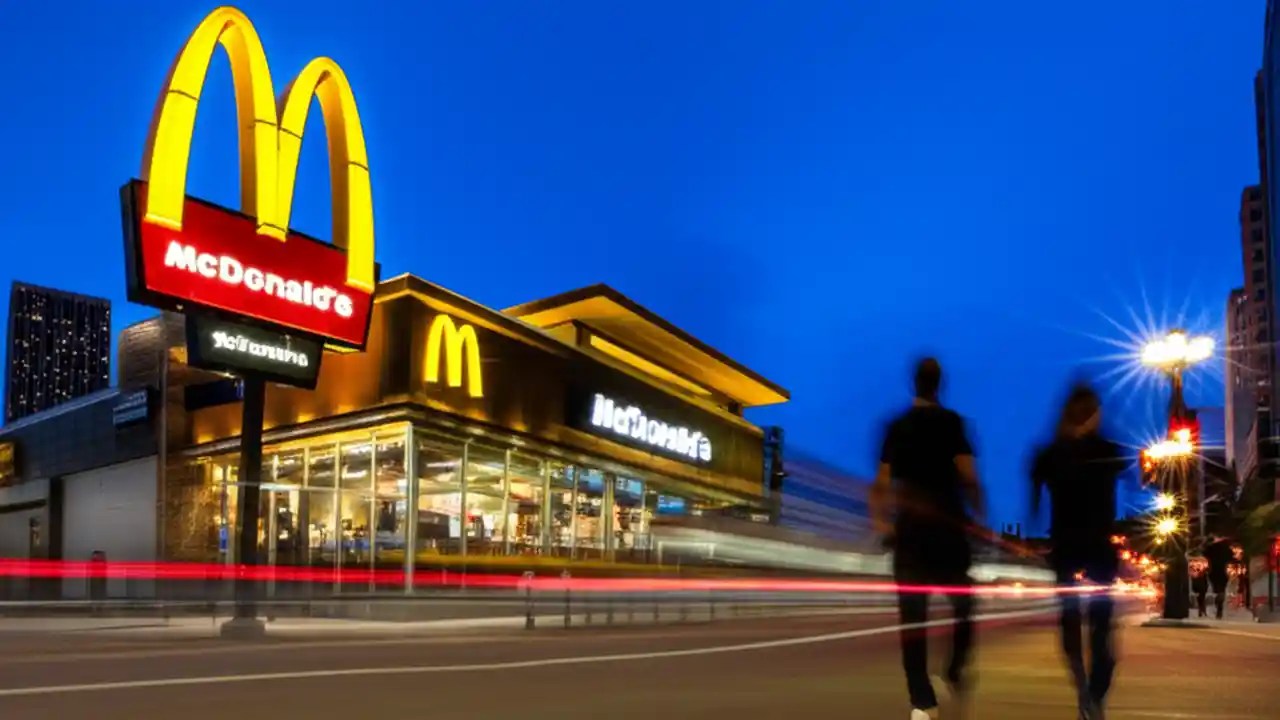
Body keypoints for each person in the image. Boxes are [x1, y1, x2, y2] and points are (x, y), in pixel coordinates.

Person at [871, 357, 985, 720]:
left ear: (914, 384)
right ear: (940, 385)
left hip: (910, 534)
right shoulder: (952, 424)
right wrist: (979, 513)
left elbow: (881, 485)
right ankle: (954, 667)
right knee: (964, 606)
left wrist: (883, 525)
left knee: (913, 620)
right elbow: (969, 478)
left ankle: (921, 700)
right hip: (948, 530)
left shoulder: (896, 427)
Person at [1030, 384, 1127, 720]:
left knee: (1069, 624)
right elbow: (1139, 477)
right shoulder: (1109, 450)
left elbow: (1034, 500)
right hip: (1100, 547)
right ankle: (1095, 697)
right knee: (1101, 629)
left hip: (1065, 547)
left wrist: (1038, 538)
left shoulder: (1048, 454)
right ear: (1095, 413)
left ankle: (1083, 687)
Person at [1204, 535, 1233, 620]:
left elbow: (1204, 553)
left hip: (1213, 570)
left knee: (1216, 589)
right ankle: (1219, 605)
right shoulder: (1227, 549)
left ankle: (1218, 602)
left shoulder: (1211, 547)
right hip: (1223, 571)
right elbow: (1231, 558)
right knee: (1222, 589)